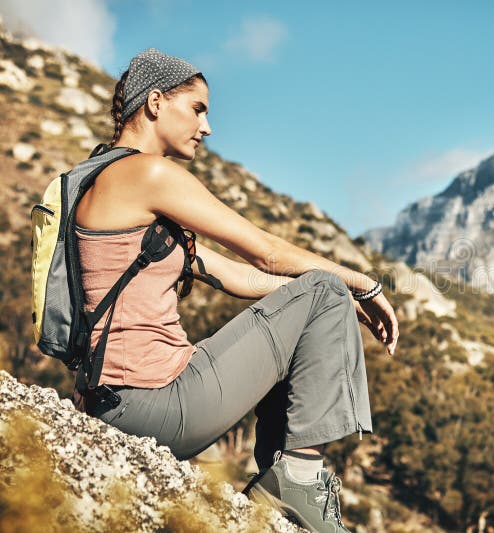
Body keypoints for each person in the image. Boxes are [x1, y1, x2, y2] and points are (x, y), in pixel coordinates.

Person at [74, 48, 399, 533]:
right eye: (199, 109)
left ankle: (281, 480)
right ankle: (297, 476)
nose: (207, 127)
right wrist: (364, 284)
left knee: (323, 295)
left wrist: (332, 308)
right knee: (325, 289)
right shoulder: (148, 173)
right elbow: (264, 253)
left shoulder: (109, 177)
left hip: (119, 403)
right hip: (152, 403)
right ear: (156, 102)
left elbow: (236, 276)